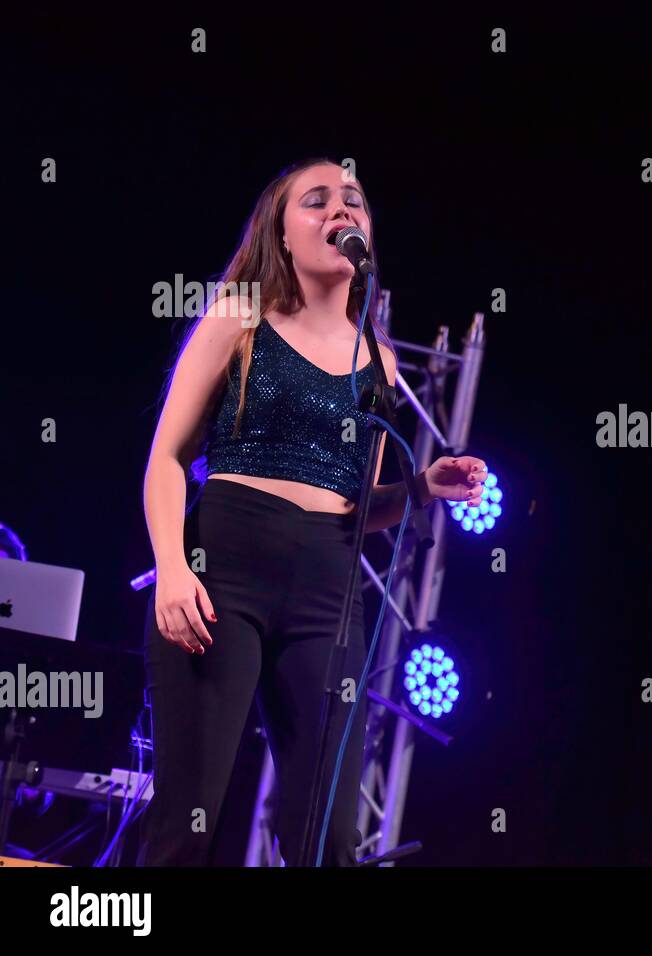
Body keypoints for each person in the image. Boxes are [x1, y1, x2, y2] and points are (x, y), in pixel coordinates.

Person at [137, 158, 486, 866]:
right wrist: (173, 569)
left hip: (328, 596)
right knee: (190, 822)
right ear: (284, 235)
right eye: (317, 202)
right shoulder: (238, 317)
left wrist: (421, 487)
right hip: (222, 576)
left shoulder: (379, 362)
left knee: (327, 837)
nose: (340, 213)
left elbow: (358, 507)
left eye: (352, 202)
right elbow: (166, 459)